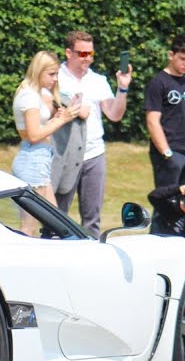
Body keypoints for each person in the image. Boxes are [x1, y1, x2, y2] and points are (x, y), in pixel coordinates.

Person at [55, 30, 133, 237]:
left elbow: (114, 114)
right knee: (56, 214)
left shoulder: (97, 80)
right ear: (68, 53)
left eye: (91, 54)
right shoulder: (56, 78)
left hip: (94, 154)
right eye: (82, 54)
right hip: (65, 153)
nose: (87, 58)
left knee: (92, 219)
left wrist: (122, 89)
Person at [11, 50, 81, 233]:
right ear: (38, 71)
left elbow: (34, 131)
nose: (55, 79)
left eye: (56, 73)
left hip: (38, 160)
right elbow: (34, 136)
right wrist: (62, 119)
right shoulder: (29, 96)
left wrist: (52, 120)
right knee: (29, 226)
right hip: (33, 161)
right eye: (51, 74)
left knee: (57, 222)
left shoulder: (31, 93)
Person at [146, 35, 185, 189]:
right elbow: (152, 121)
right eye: (182, 59)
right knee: (167, 204)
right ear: (171, 55)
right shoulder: (158, 82)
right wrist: (166, 153)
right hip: (171, 153)